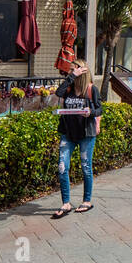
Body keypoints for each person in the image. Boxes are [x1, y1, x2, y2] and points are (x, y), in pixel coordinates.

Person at [52, 58, 102, 219]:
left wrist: (91, 112)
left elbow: (100, 109)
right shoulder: (68, 89)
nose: (70, 72)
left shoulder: (91, 89)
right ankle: (66, 203)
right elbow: (58, 93)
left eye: (73, 69)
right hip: (68, 133)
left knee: (86, 167)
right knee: (62, 167)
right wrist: (71, 77)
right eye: (70, 71)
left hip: (86, 134)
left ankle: (86, 201)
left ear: (83, 71)